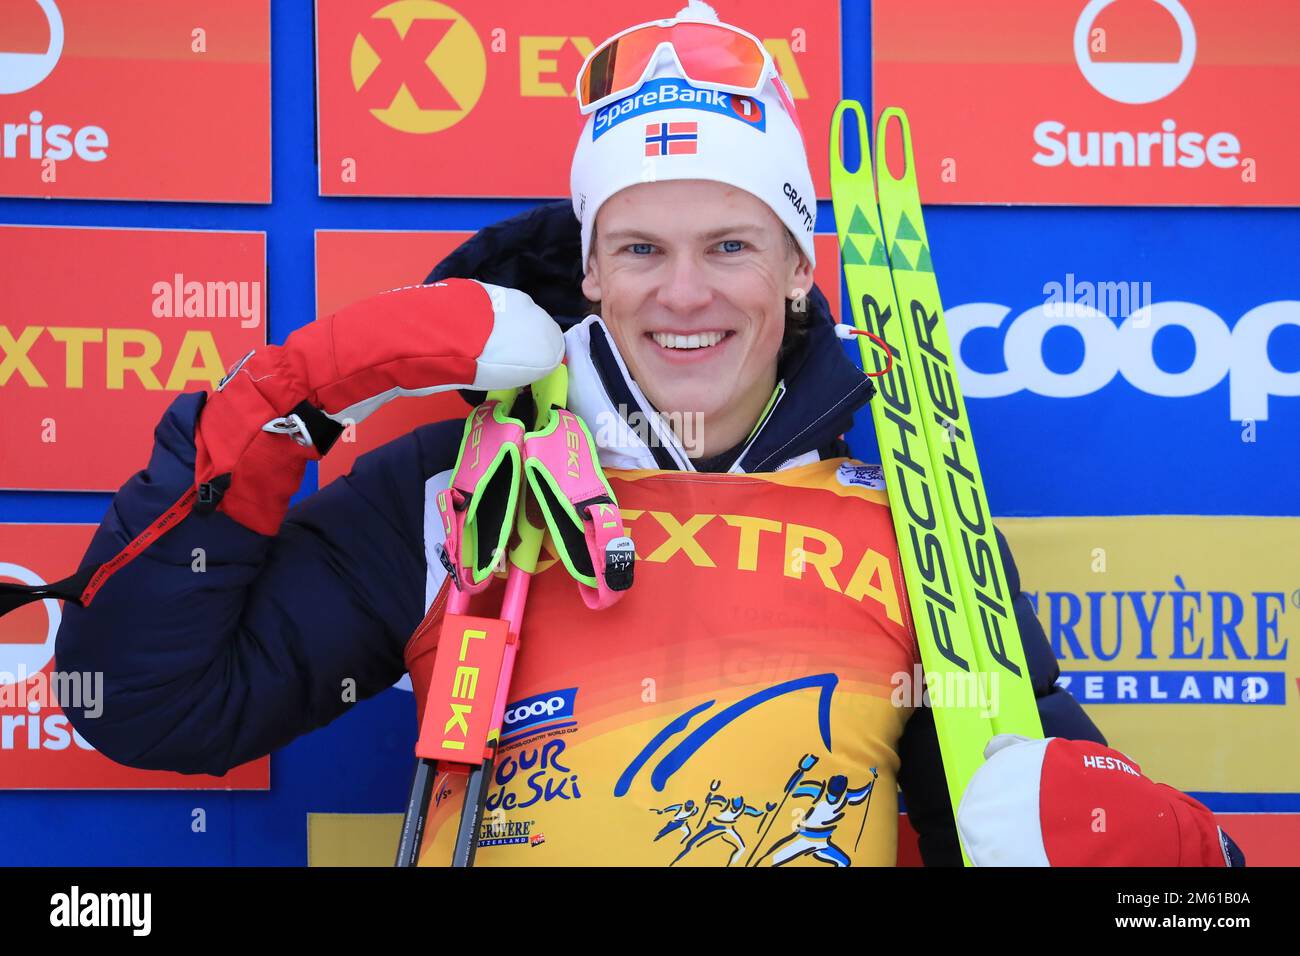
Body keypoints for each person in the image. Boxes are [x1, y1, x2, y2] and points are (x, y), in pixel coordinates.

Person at [38, 2, 1241, 866]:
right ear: (592, 272)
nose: (684, 292)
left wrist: (1148, 849)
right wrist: (286, 402)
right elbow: (147, 704)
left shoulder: (917, 531)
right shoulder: (459, 486)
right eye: (639, 248)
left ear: (797, 269)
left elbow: (1065, 832)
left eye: (730, 245)